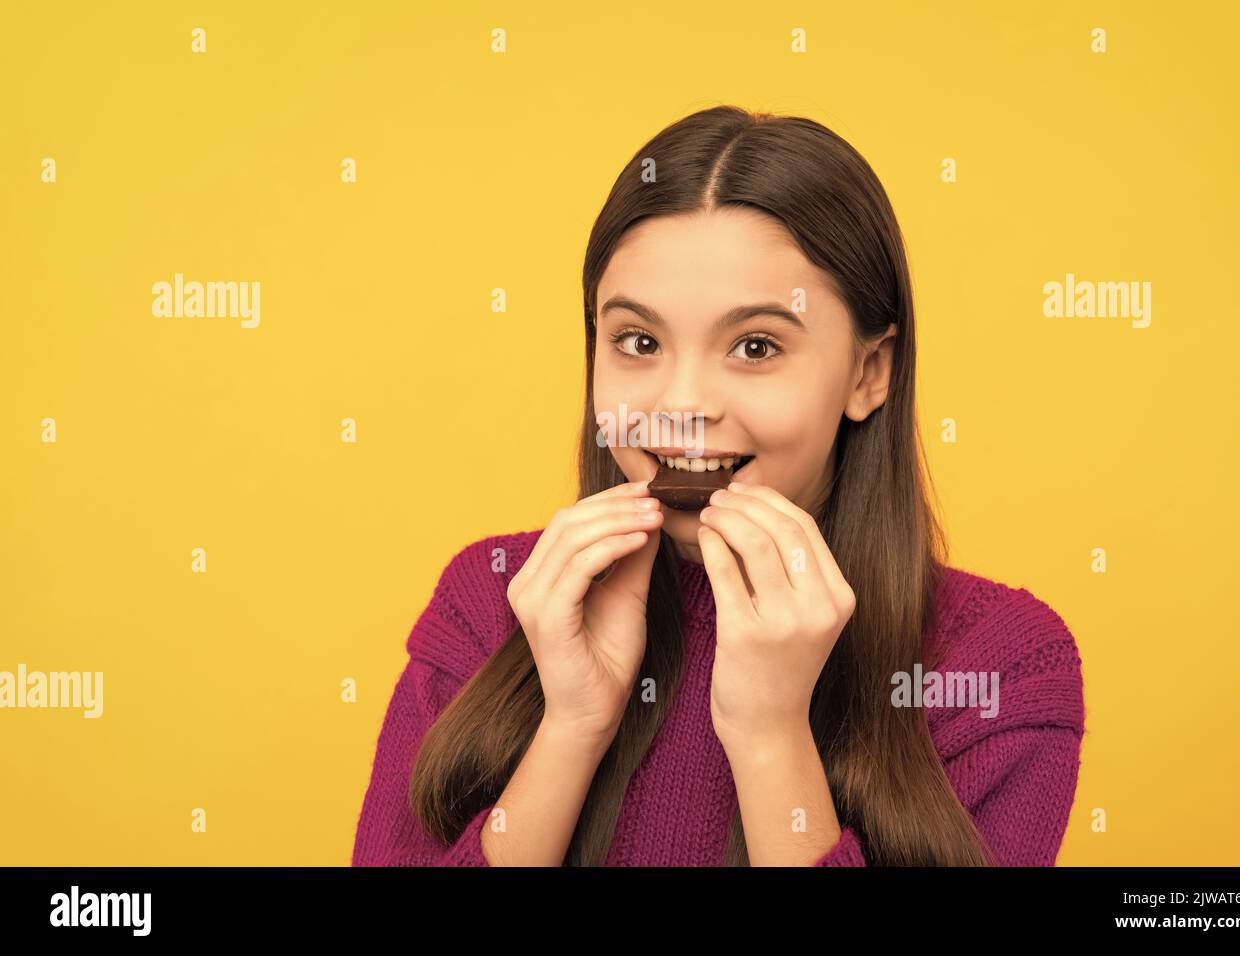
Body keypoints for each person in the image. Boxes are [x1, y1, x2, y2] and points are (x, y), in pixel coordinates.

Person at [351, 105, 1086, 867]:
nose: (679, 407)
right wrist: (570, 725)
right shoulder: (489, 604)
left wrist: (771, 734)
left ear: (869, 373)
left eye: (756, 346)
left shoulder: (998, 670)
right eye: (638, 341)